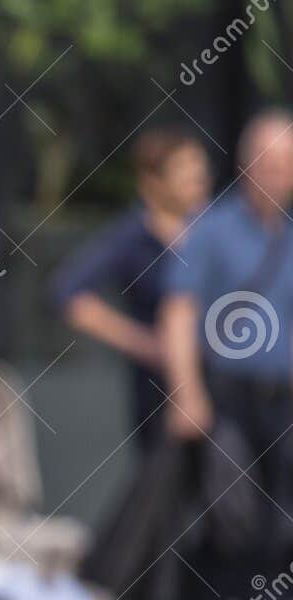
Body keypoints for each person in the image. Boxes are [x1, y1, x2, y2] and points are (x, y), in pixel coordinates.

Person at [155, 110, 293, 600]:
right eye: (277, 161)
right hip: (227, 398)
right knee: (232, 524)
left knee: (279, 531)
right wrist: (186, 392)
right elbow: (179, 312)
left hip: (284, 401)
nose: (284, 173)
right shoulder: (211, 229)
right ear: (250, 165)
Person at [54, 128, 210, 445]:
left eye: (200, 171)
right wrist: (145, 344)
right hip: (157, 399)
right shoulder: (130, 238)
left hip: (227, 390)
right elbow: (67, 293)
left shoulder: (217, 231)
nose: (198, 180)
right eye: (184, 171)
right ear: (152, 182)